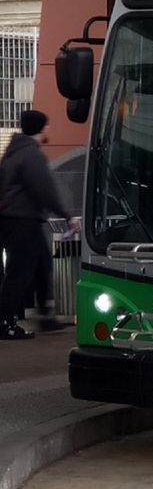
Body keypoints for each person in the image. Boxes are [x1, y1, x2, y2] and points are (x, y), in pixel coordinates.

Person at [0, 111, 79, 340]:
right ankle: (6, 323)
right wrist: (66, 215)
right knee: (20, 273)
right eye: (47, 126)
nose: (49, 131)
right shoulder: (31, 155)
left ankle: (46, 315)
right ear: (41, 128)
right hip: (22, 220)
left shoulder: (13, 152)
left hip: (15, 220)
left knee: (42, 264)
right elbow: (44, 189)